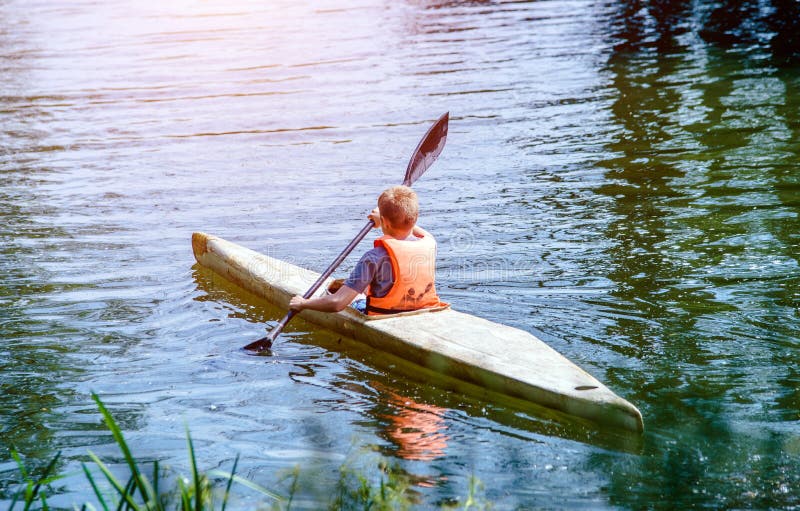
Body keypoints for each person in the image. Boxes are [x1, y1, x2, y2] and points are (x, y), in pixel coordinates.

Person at [288, 185, 444, 315]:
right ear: (415, 217)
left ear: (384, 222)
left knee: (337, 293)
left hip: (383, 315)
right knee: (364, 289)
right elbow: (415, 228)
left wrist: (303, 303)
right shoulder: (430, 243)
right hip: (423, 309)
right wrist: (386, 218)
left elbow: (337, 304)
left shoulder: (373, 257)